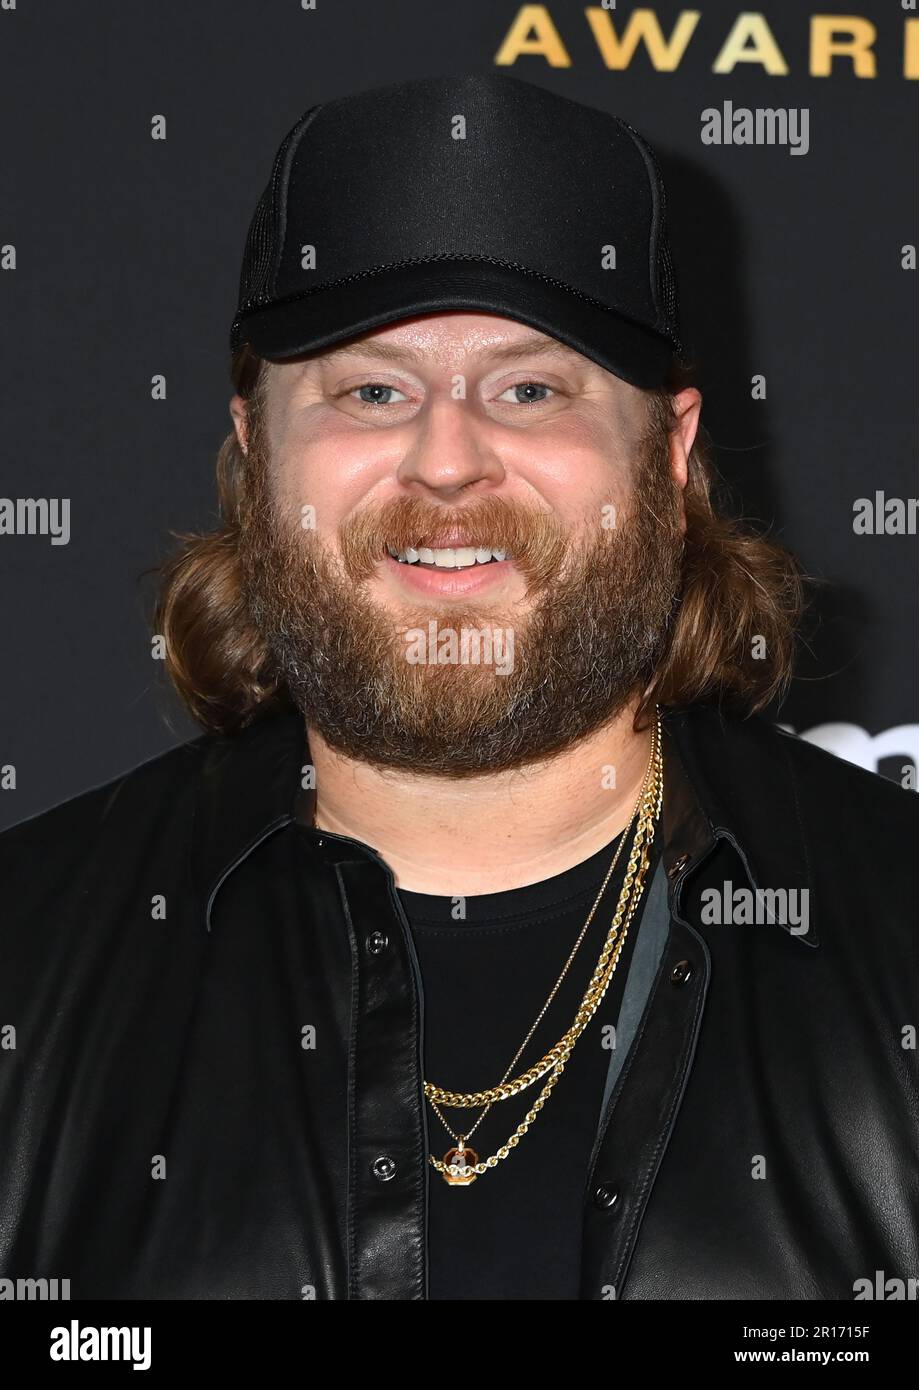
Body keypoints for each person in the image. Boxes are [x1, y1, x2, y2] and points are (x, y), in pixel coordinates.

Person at [1, 72, 917, 1302]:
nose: (446, 461)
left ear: (673, 454)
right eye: (371, 390)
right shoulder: (30, 959)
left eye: (530, 387)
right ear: (255, 448)